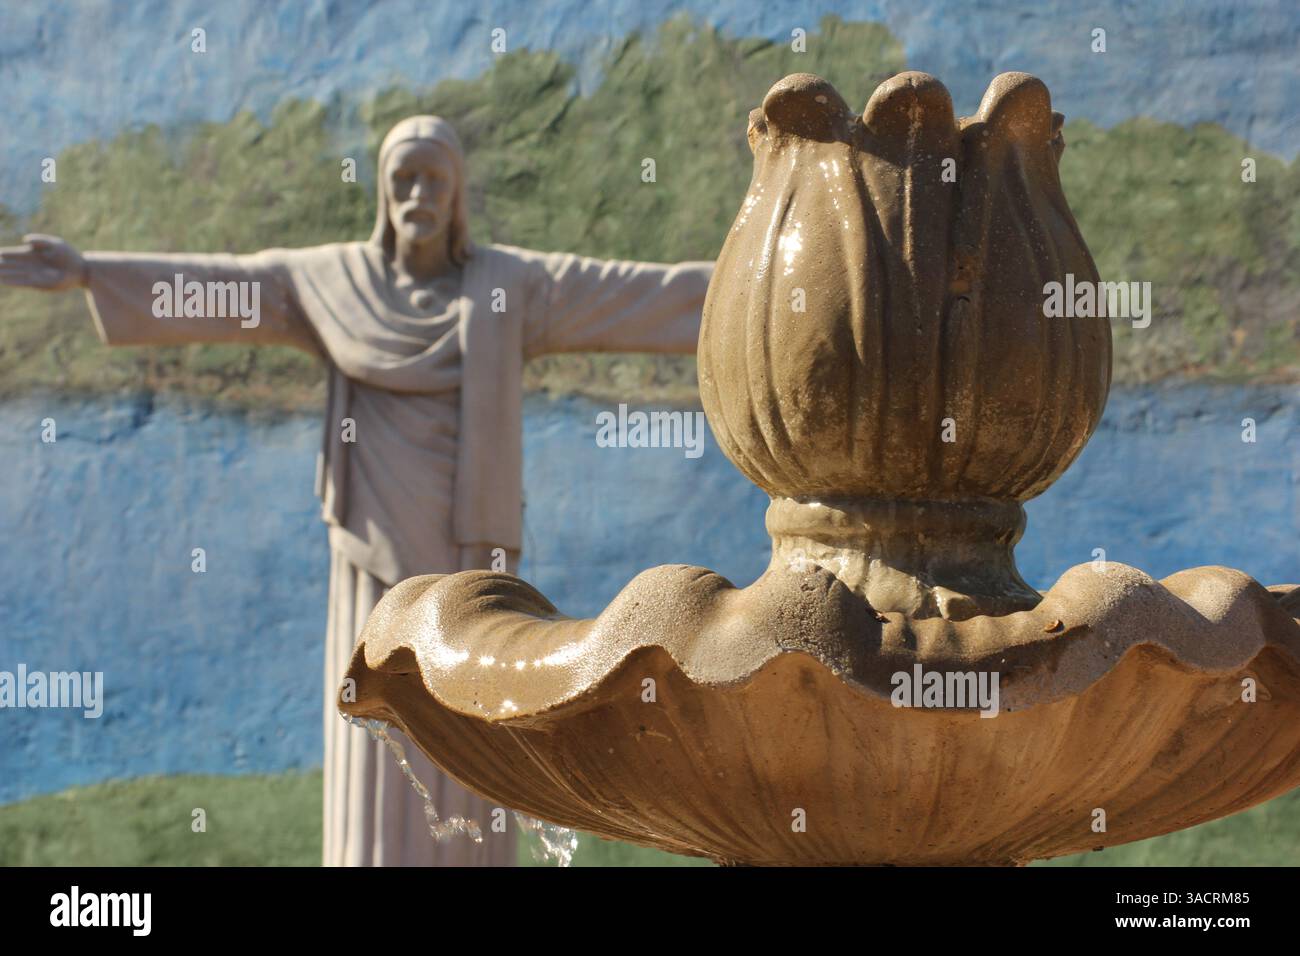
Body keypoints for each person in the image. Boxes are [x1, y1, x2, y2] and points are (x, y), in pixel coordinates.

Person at [0, 115, 713, 866]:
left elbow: (633, 296)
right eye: (402, 178)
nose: (418, 194)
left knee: (470, 723)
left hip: (471, 563)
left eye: (434, 179)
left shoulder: (507, 287)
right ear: (382, 191)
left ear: (457, 194)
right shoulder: (335, 284)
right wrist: (91, 273)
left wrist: (764, 280)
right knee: (375, 739)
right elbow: (229, 289)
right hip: (370, 560)